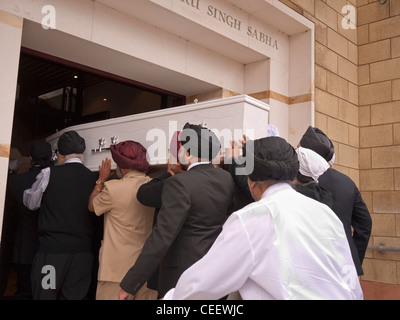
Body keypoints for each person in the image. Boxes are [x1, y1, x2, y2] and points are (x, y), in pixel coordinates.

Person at [163, 136, 363, 300]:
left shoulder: (253, 218)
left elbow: (204, 283)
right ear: (293, 176)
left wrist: (171, 299)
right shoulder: (325, 213)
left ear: (251, 181)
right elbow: (350, 279)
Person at [118, 123, 235, 299]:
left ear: (188, 154)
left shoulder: (179, 183)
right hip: (216, 273)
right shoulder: (226, 178)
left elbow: (162, 237)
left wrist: (130, 284)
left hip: (183, 277)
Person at [23, 131, 97, 300]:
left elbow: (31, 203)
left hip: (52, 254)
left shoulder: (49, 174)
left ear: (59, 154)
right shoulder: (93, 179)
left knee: (45, 296)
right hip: (82, 256)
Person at [88, 140, 157, 300]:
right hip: (147, 271)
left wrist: (101, 180)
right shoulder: (155, 187)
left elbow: (92, 206)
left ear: (121, 166)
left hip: (115, 272)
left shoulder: (112, 188)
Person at [299, 126, 372, 276]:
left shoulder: (298, 182)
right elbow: (365, 223)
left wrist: (244, 157)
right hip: (345, 268)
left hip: (311, 269)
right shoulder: (347, 182)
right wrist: (353, 259)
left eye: (298, 149)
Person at [1, 142, 53, 299]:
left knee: (23, 291)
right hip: (49, 249)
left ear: (30, 158)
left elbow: (9, 218)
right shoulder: (56, 180)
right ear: (51, 158)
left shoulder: (14, 182)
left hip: (23, 248)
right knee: (47, 291)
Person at [135, 131, 185, 294]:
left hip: (173, 266)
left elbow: (143, 193)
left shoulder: (173, 185)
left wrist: (168, 173)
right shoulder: (215, 180)